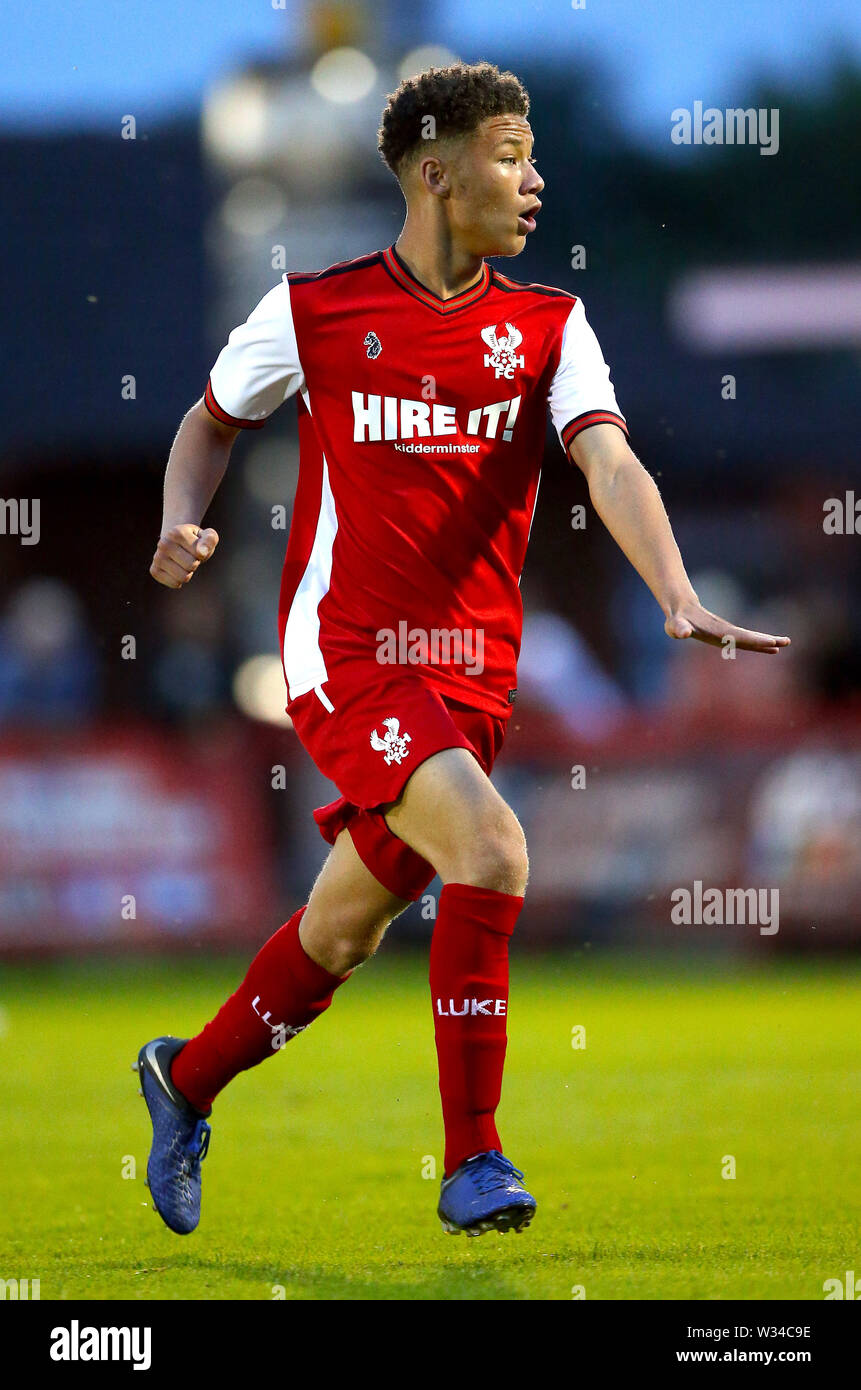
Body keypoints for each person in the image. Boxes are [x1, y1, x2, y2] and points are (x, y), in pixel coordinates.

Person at [137, 61, 789, 1239]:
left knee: (343, 930)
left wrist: (675, 590)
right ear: (435, 174)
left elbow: (609, 460)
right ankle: (475, 1161)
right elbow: (207, 421)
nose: (534, 181)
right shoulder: (314, 311)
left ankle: (183, 1081)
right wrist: (183, 519)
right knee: (491, 846)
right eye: (509, 155)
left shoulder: (549, 326)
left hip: (471, 672)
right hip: (348, 654)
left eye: (534, 156)